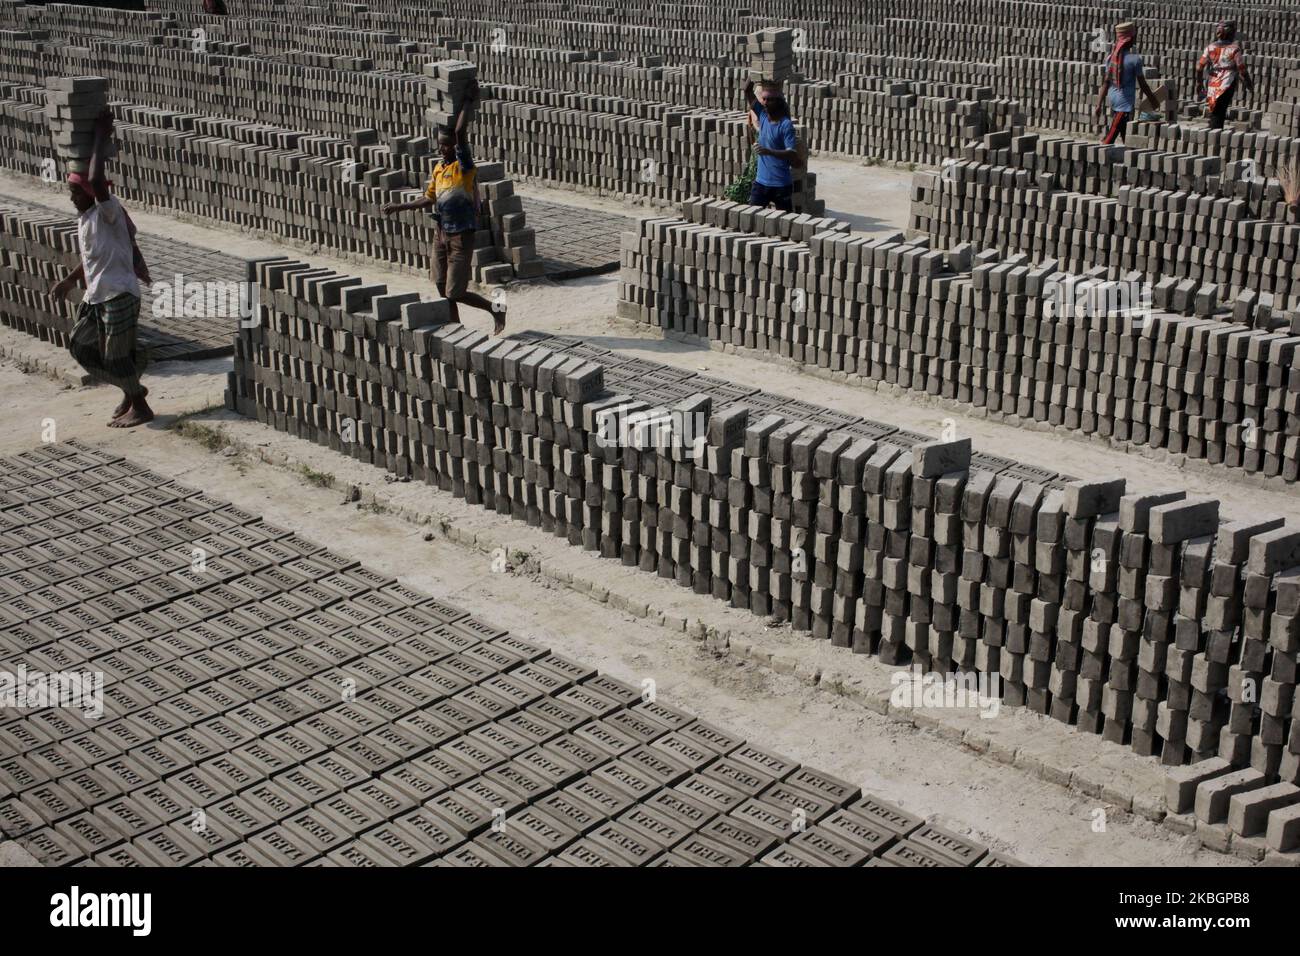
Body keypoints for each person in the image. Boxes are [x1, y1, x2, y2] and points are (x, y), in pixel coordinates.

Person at [50, 108, 155, 428]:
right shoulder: (85, 220)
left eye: (75, 192)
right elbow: (92, 258)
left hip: (120, 293)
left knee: (115, 356)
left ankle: (140, 403)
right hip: (97, 296)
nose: (72, 198)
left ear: (90, 192)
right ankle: (130, 387)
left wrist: (100, 135)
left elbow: (96, 178)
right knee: (81, 347)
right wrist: (70, 281)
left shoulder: (108, 210)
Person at [382, 79, 504, 335]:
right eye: (440, 144)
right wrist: (399, 207)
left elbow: (460, 134)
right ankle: (456, 328)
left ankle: (495, 309)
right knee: (439, 284)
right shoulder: (438, 169)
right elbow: (429, 198)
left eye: (446, 144)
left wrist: (469, 100)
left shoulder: (464, 167)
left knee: (455, 291)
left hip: (462, 235)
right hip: (441, 234)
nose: (441, 148)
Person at [1094, 22, 1160, 145]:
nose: (1135, 39)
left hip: (1114, 101)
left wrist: (1099, 104)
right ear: (1129, 39)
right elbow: (1143, 85)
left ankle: (1128, 160)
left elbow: (1105, 83)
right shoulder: (1135, 60)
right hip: (1124, 106)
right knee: (1109, 139)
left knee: (1126, 138)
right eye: (1133, 36)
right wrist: (1154, 100)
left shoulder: (1110, 58)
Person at [743, 79, 798, 212]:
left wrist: (768, 151)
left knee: (786, 224)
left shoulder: (786, 125)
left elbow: (792, 153)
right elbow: (747, 91)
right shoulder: (762, 115)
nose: (765, 103)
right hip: (761, 183)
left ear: (779, 102)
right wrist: (757, 72)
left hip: (781, 185)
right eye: (764, 99)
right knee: (750, 218)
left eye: (769, 100)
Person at [1198, 20, 1253, 131]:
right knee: (1221, 110)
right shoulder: (1234, 49)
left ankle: (1213, 130)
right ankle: (1216, 134)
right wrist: (1248, 84)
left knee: (1214, 109)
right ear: (1231, 34)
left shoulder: (1210, 48)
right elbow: (1242, 70)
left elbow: (1199, 67)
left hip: (1213, 82)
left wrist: (1199, 83)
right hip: (1227, 84)